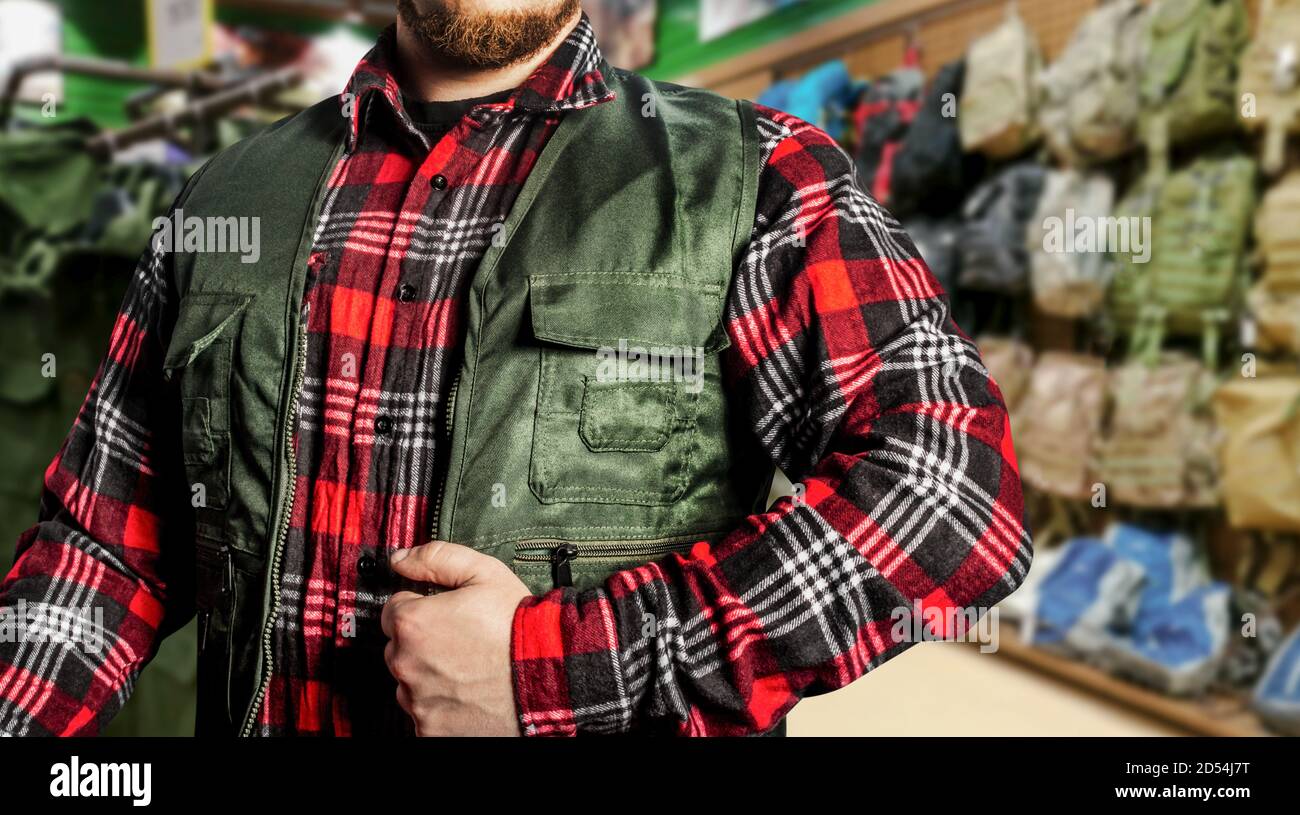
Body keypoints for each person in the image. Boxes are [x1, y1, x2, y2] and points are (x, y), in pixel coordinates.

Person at [0, 0, 1031, 737]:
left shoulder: (757, 178)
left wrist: (555, 671)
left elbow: (949, 498)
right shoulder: (229, 197)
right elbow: (106, 545)